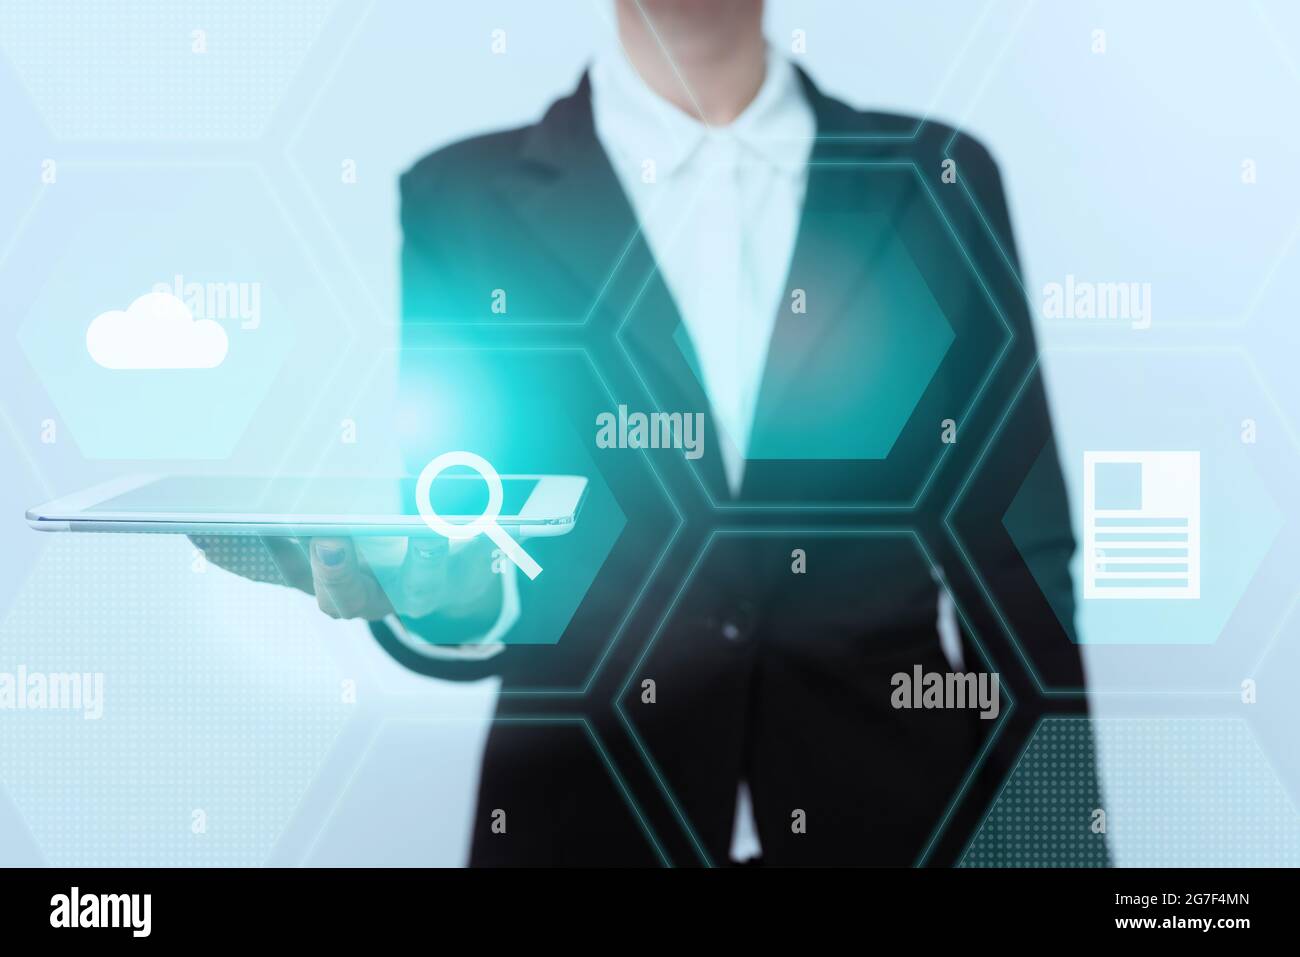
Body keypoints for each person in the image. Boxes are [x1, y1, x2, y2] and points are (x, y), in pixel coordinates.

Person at [200, 0, 1103, 866]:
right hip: (581, 816)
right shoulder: (461, 200)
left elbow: (1023, 561)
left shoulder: (939, 181)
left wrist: (1061, 850)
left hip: (900, 819)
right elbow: (463, 521)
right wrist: (451, 591)